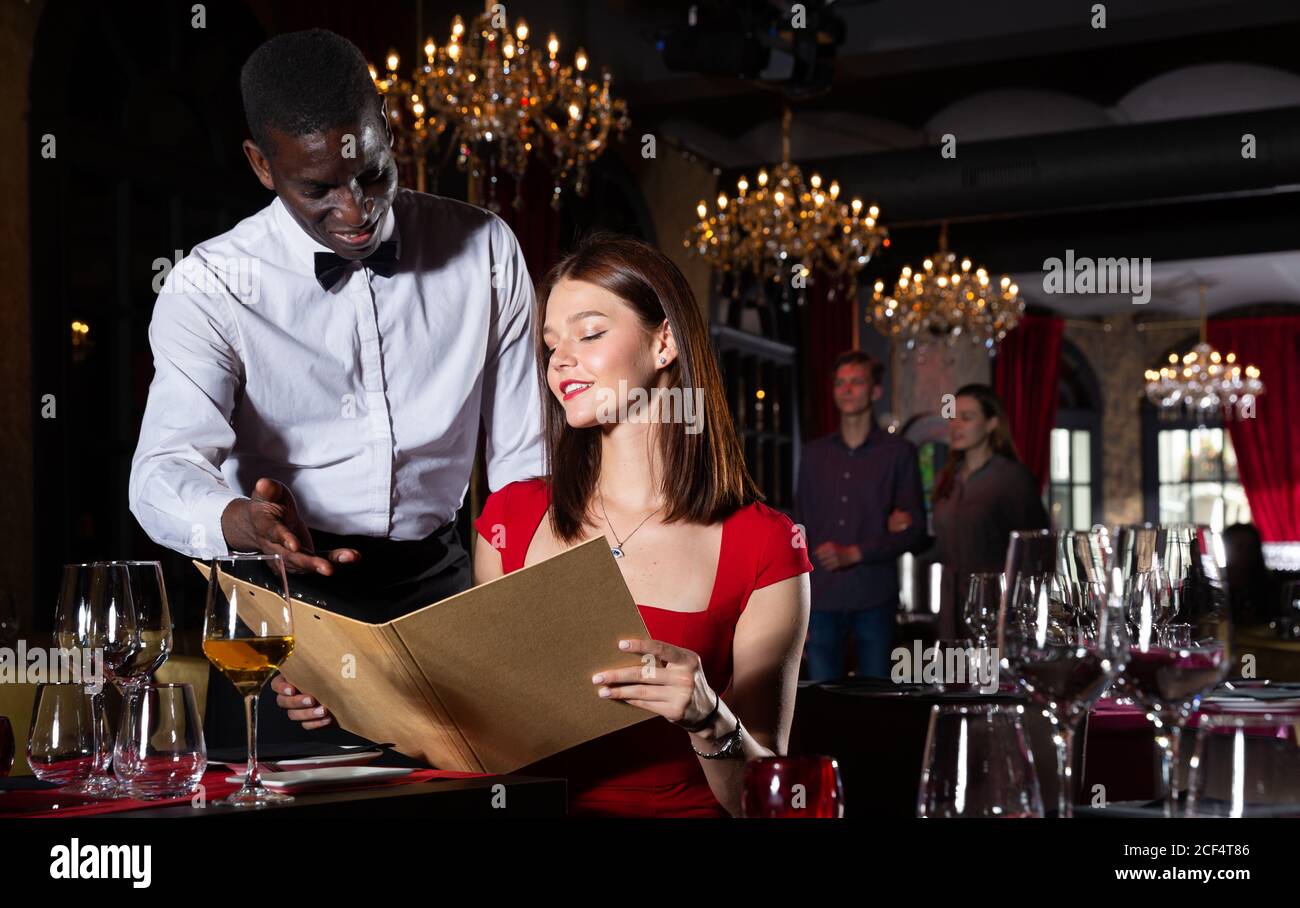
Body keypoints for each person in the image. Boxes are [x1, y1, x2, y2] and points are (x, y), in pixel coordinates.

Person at [277, 235, 812, 816]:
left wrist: (710, 720)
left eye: (589, 333)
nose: (559, 361)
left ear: (666, 342)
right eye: (551, 343)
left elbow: (764, 800)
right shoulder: (511, 517)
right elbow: (476, 736)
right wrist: (350, 696)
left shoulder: (765, 545)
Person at [128, 29, 543, 745]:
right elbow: (163, 469)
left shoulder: (485, 248)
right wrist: (237, 522)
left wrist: (519, 625)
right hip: (286, 606)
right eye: (317, 190)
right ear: (262, 165)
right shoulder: (211, 285)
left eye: (372, 174)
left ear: (386, 122)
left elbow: (524, 466)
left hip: (443, 593)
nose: (354, 213)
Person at [795, 351, 928, 680]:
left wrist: (855, 553)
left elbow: (915, 531)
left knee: (876, 704)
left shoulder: (899, 453)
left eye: (857, 382)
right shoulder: (813, 455)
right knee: (823, 703)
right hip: (822, 598)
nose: (847, 390)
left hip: (875, 597)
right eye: (840, 383)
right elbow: (800, 529)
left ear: (875, 391)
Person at [931, 384, 1048, 639]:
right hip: (951, 607)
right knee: (954, 677)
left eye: (967, 417)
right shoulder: (946, 479)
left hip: (997, 606)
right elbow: (941, 545)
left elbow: (1037, 548)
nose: (956, 425)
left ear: (991, 423)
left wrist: (1027, 610)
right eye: (952, 417)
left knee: (991, 678)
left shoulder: (1011, 478)